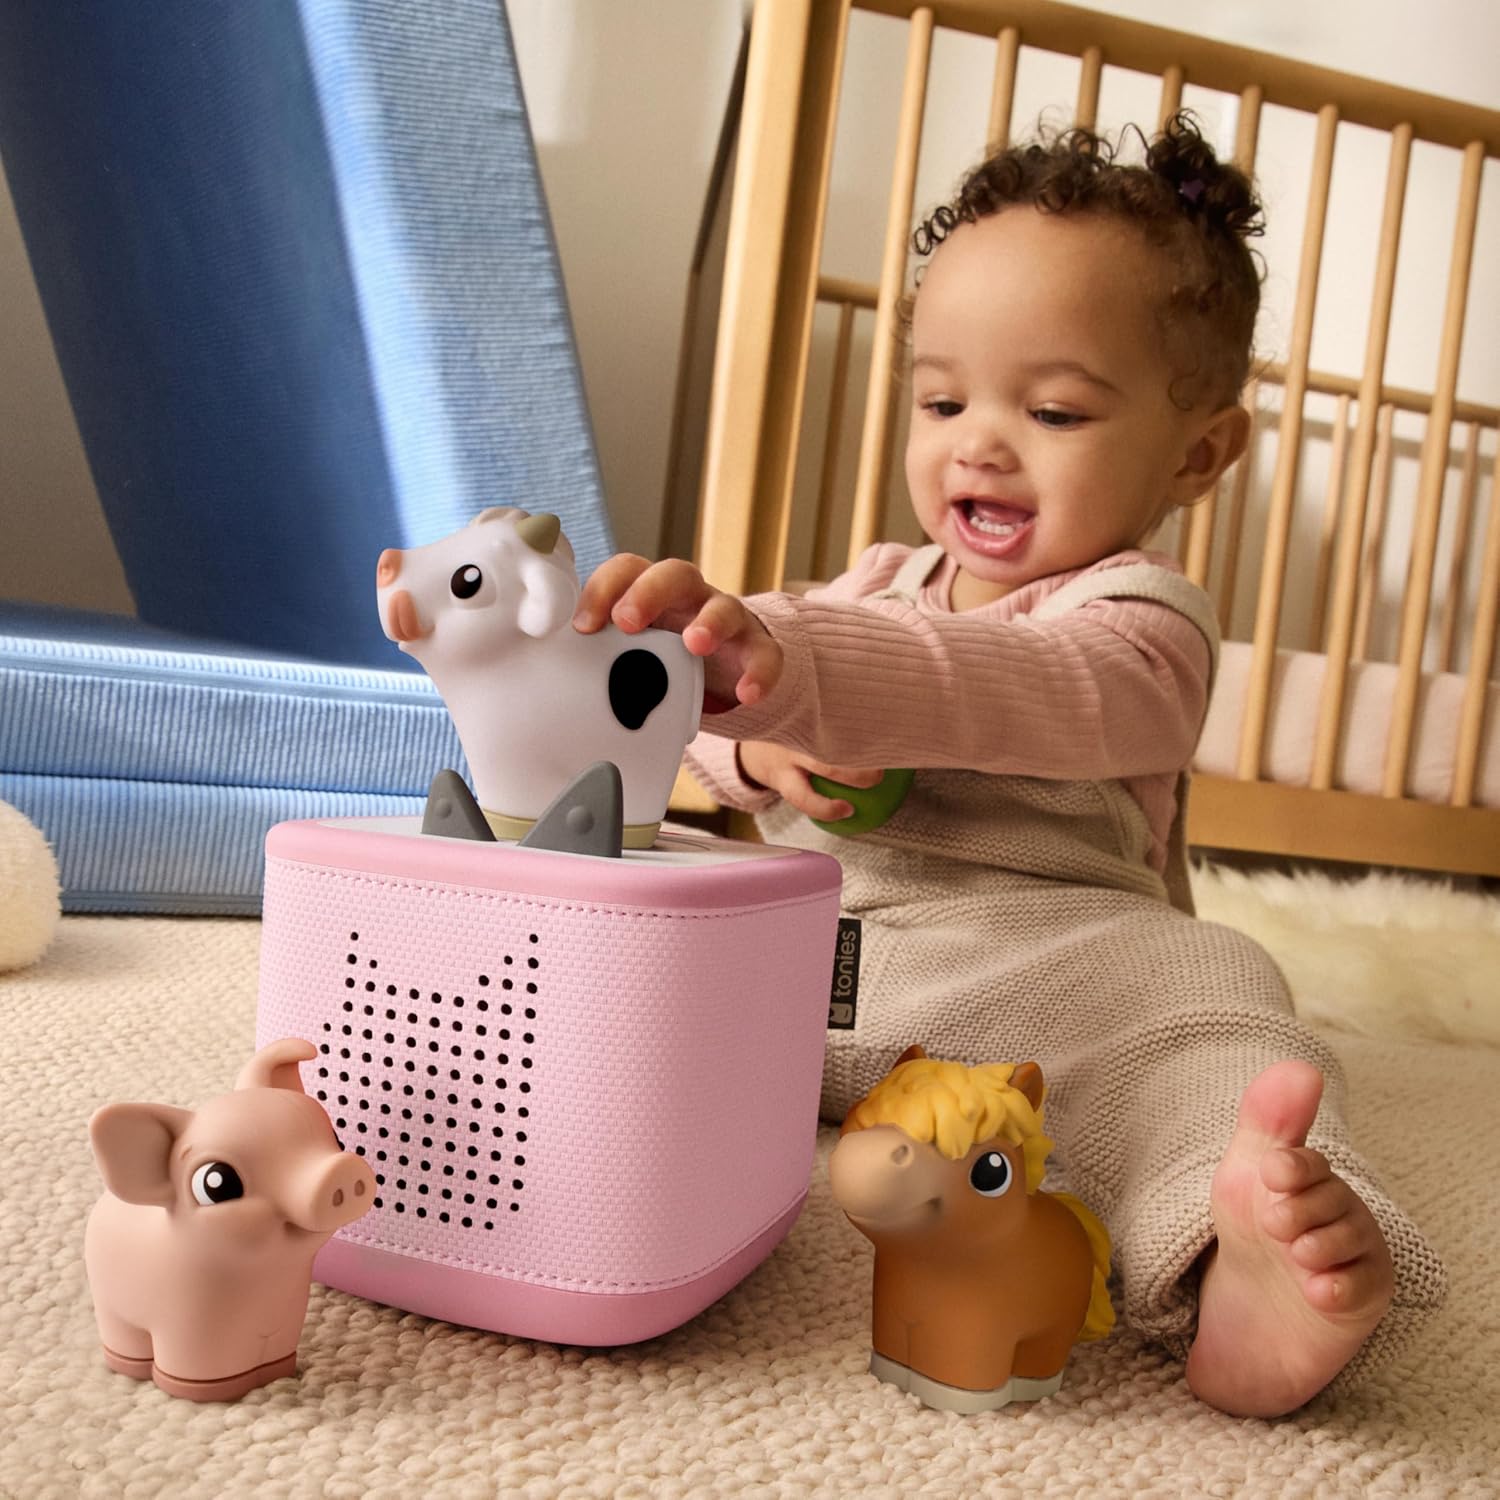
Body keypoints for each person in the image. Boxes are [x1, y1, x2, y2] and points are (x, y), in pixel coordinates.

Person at [573, 114, 1444, 1417]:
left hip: (1049, 978)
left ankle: (1232, 1252)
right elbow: (725, 730)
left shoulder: (1143, 621)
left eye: (1051, 409)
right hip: (816, 958)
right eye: (943, 400)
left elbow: (1023, 693)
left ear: (1196, 453)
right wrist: (741, 724)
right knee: (627, 919)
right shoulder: (874, 585)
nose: (979, 443)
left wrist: (804, 668)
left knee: (1217, 996)